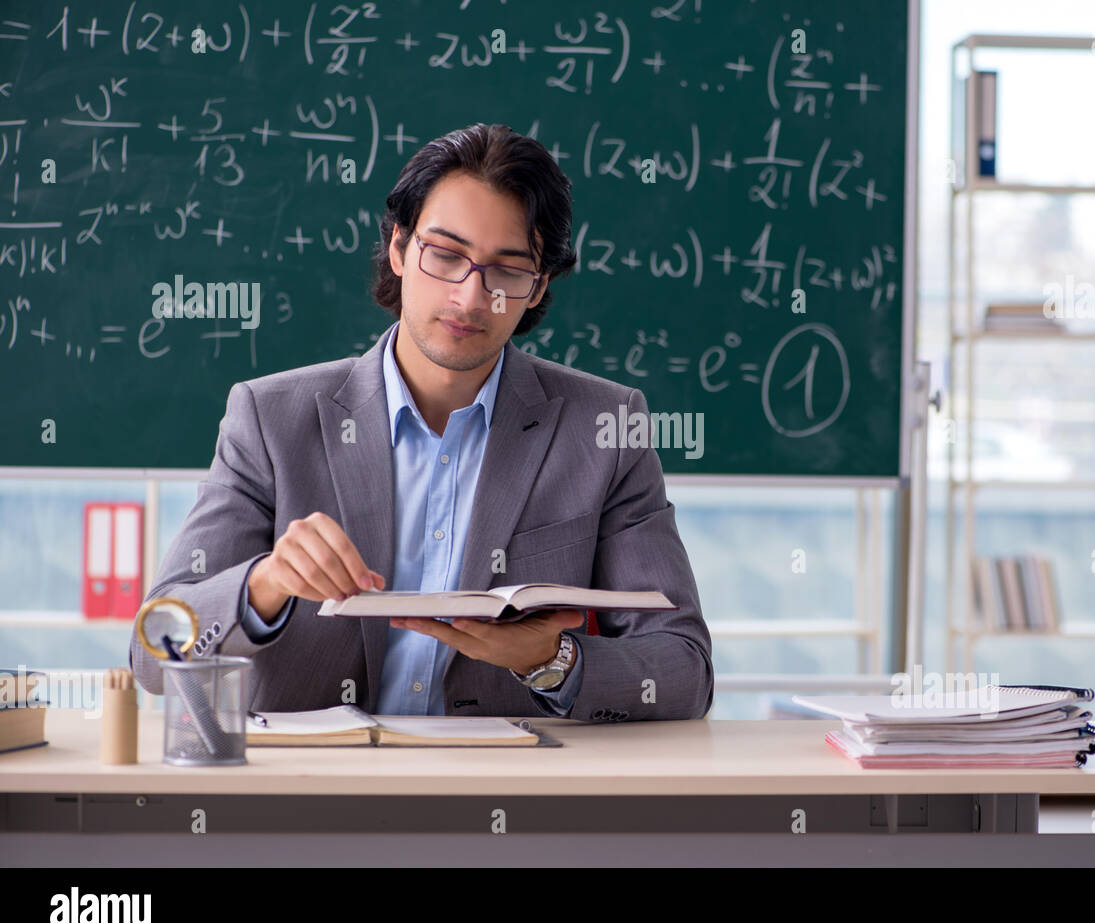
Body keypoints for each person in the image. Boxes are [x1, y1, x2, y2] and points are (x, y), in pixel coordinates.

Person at [129, 123, 714, 722]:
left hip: (507, 799)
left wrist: (552, 658)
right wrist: (265, 584)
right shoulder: (270, 419)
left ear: (537, 288)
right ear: (400, 248)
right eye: (445, 255)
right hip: (312, 797)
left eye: (507, 271)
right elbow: (153, 655)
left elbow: (686, 671)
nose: (469, 297)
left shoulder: (606, 430)